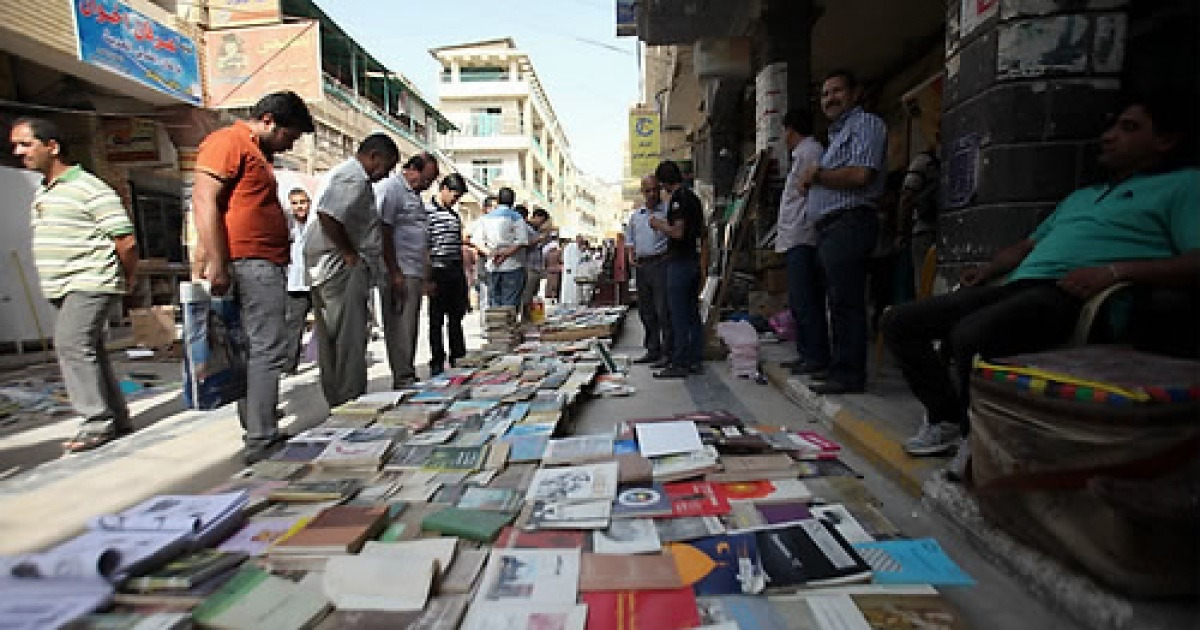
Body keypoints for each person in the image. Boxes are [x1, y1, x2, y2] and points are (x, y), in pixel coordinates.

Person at [883, 93, 1199, 465]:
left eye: (1128, 128)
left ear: (1166, 140)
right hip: (1020, 284)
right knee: (901, 321)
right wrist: (990, 267)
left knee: (970, 334)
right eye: (1112, 126)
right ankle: (947, 418)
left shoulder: (1184, 186)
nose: (1110, 135)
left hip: (1074, 294)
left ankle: (978, 440)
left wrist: (1114, 272)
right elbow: (1027, 245)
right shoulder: (1082, 197)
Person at [192, 91, 314, 464]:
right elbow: (203, 200)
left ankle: (258, 427)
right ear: (269, 121)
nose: (290, 144)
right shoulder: (228, 142)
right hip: (249, 262)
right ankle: (261, 437)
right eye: (288, 136)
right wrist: (216, 262)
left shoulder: (258, 153)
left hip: (259, 262)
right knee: (266, 348)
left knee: (255, 349)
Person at [11, 117, 139, 452]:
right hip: (62, 285)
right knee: (88, 349)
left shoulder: (88, 186)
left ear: (52, 147)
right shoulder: (44, 189)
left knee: (70, 345)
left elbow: (124, 239)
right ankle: (116, 417)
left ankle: (96, 422)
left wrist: (127, 278)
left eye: (26, 144)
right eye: (15, 145)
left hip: (90, 280)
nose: (18, 151)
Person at [800, 69, 888, 395]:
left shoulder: (865, 125)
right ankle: (841, 369)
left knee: (846, 302)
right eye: (824, 94)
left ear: (855, 93)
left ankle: (849, 374)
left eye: (836, 92)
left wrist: (818, 176)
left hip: (849, 222)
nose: (829, 99)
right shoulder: (837, 135)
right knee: (837, 301)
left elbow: (861, 175)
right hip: (831, 228)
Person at [306, 134, 399, 407]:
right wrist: (349, 252)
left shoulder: (346, 175)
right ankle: (349, 400)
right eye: (386, 167)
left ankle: (339, 399)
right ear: (374, 156)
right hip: (340, 269)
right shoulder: (354, 178)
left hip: (330, 268)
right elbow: (328, 214)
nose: (386, 175)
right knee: (348, 340)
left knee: (335, 341)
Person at [774, 109, 829, 377]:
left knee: (807, 300)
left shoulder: (810, 153)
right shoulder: (802, 155)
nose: (783, 137)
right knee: (799, 300)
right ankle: (806, 353)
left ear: (791, 130)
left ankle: (815, 355)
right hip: (795, 235)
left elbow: (810, 195)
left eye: (784, 131)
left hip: (803, 236)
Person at [377, 152, 439, 387]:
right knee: (400, 327)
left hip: (413, 269)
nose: (427, 184)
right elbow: (385, 230)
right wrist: (394, 272)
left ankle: (407, 373)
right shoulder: (392, 189)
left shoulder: (414, 195)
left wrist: (426, 274)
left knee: (410, 326)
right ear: (413, 169)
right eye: (426, 178)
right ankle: (402, 377)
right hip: (400, 269)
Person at [650, 160, 705, 379]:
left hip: (680, 262)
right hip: (692, 260)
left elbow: (678, 232)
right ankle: (693, 359)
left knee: (679, 314)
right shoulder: (693, 198)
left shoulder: (679, 200)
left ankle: (680, 361)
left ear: (664, 183)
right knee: (691, 314)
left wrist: (659, 224)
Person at [626, 174, 672, 367]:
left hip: (661, 263)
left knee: (663, 310)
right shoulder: (636, 216)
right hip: (642, 266)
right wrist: (631, 254)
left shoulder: (668, 211)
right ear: (642, 192)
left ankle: (668, 352)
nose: (652, 194)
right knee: (646, 311)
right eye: (647, 190)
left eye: (655, 189)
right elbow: (630, 239)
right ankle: (652, 349)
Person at [426, 174, 470, 375]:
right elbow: (425, 246)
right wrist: (427, 277)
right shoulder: (427, 213)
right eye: (454, 194)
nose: (456, 199)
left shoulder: (454, 216)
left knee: (456, 317)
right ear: (443, 188)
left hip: (454, 270)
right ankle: (437, 360)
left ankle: (458, 356)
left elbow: (458, 246)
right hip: (437, 269)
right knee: (436, 320)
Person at [470, 187, 528, 307]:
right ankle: (508, 325)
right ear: (513, 201)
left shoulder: (485, 218)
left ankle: (495, 325)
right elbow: (521, 241)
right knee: (510, 304)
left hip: (492, 266)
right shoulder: (516, 217)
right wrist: (504, 255)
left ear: (498, 199)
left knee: (494, 304)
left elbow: (476, 241)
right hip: (513, 266)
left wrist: (492, 254)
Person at [283, 187, 313, 374]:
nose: (300, 207)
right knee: (294, 325)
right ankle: (289, 364)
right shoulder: (287, 226)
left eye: (303, 202)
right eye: (295, 203)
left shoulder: (316, 223)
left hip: (316, 280)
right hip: (295, 283)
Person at [520, 207, 552, 320]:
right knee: (527, 297)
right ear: (536, 217)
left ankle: (530, 319)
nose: (542, 224)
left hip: (536, 268)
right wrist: (539, 239)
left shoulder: (535, 231)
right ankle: (525, 319)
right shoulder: (526, 228)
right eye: (541, 221)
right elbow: (524, 244)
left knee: (533, 296)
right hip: (529, 268)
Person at [561, 234, 584, 305]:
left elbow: (579, 259)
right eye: (580, 240)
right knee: (569, 285)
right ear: (577, 239)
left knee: (575, 287)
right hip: (570, 270)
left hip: (575, 270)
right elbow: (567, 257)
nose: (581, 242)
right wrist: (568, 267)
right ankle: (567, 301)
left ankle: (574, 300)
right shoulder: (570, 246)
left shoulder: (578, 248)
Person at [543, 235, 563, 300]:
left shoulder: (547, 253)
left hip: (549, 270)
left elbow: (545, 262)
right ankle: (554, 296)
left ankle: (548, 295)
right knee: (555, 284)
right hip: (557, 270)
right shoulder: (558, 252)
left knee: (549, 283)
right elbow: (561, 260)